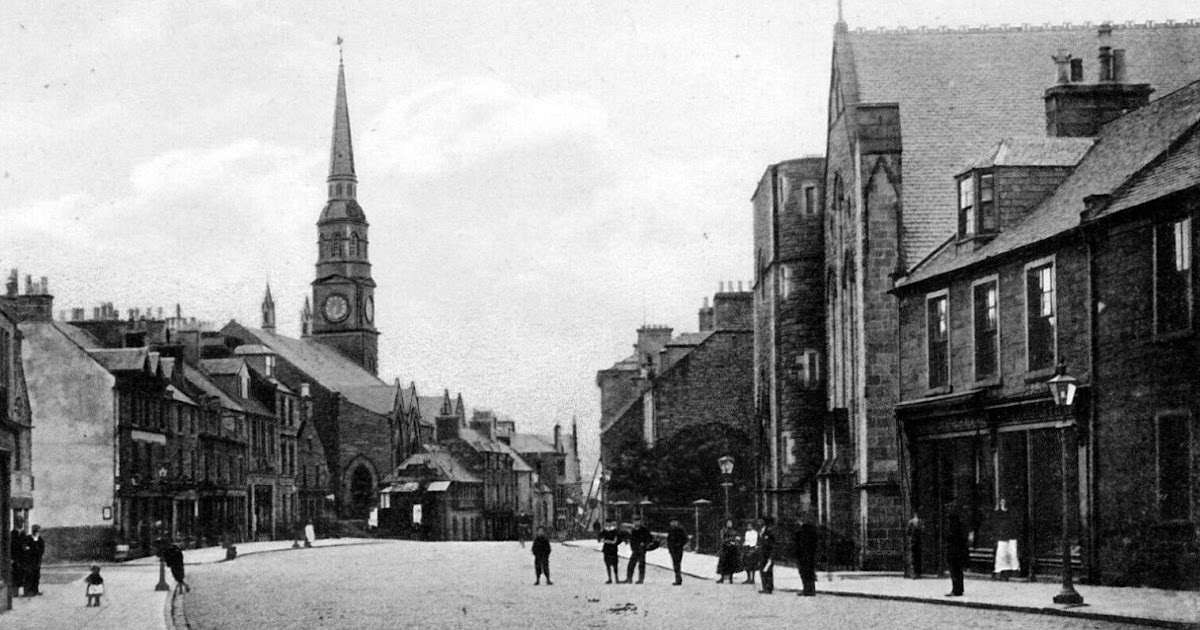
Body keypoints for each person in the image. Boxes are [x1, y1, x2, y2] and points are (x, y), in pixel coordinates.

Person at [945, 509, 971, 597]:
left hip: (953, 552)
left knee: (954, 571)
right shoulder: (961, 527)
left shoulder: (952, 527)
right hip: (959, 552)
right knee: (958, 571)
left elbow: (949, 538)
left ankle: (955, 589)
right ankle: (959, 589)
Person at [993, 499, 1020, 580]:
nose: (1003, 504)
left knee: (1012, 553)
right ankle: (1000, 570)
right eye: (1002, 502)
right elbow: (996, 524)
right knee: (1001, 554)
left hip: (1011, 536)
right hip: (1002, 536)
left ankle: (1014, 570)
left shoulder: (1012, 513)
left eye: (1004, 502)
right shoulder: (998, 513)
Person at [794, 516, 818, 596]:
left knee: (804, 573)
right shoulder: (812, 531)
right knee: (810, 573)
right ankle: (811, 589)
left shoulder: (802, 531)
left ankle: (807, 590)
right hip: (810, 556)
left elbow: (799, 545)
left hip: (803, 556)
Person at [625, 516, 653, 584]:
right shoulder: (633, 530)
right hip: (635, 550)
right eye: (634, 521)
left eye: (637, 521)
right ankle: (629, 578)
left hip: (641, 550)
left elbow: (650, 539)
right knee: (631, 565)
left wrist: (644, 544)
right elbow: (632, 539)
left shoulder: (644, 530)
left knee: (641, 565)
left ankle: (641, 579)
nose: (636, 522)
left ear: (640, 522)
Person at [716, 519, 742, 583]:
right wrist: (731, 539)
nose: (729, 524)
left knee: (731, 564)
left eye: (730, 522)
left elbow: (738, 538)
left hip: (732, 549)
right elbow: (723, 539)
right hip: (725, 549)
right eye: (728, 522)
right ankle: (722, 578)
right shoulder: (723, 530)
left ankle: (731, 578)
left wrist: (735, 541)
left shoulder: (734, 531)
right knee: (723, 564)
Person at [24, 525, 45, 596]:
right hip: (29, 561)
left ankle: (35, 590)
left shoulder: (40, 540)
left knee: (37, 575)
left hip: (37, 561)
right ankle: (29, 591)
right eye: (36, 530)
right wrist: (32, 550)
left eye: (38, 531)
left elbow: (41, 550)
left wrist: (32, 550)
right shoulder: (28, 539)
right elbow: (26, 549)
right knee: (29, 575)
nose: (37, 532)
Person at [666, 519, 689, 586]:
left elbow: (686, 539)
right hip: (673, 550)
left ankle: (678, 579)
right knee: (675, 564)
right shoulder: (671, 530)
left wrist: (680, 544)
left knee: (677, 564)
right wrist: (670, 548)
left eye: (674, 522)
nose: (672, 523)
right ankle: (678, 578)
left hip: (678, 549)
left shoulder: (680, 530)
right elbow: (668, 540)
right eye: (671, 522)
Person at [758, 517, 775, 594]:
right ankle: (764, 587)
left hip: (768, 554)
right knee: (762, 570)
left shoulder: (769, 531)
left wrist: (771, 555)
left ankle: (769, 587)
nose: (759, 523)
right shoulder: (761, 531)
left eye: (761, 521)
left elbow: (772, 543)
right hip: (762, 554)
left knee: (768, 571)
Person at [10, 520, 27, 597]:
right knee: (15, 575)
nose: (21, 524)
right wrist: (11, 558)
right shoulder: (12, 534)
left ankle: (23, 591)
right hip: (15, 557)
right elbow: (10, 546)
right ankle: (14, 592)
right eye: (20, 522)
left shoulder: (23, 533)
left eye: (22, 522)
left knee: (23, 574)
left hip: (22, 558)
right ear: (16, 523)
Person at [741, 520, 760, 584]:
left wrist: (753, 547)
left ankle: (753, 579)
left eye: (749, 525)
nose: (748, 527)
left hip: (752, 549)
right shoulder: (747, 533)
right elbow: (746, 540)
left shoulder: (755, 533)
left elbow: (754, 541)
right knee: (746, 565)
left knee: (753, 565)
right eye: (748, 525)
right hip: (747, 548)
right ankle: (748, 578)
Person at [906, 511, 924, 578]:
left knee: (914, 557)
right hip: (917, 542)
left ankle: (914, 573)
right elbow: (923, 531)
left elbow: (908, 532)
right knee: (917, 557)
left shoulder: (911, 522)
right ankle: (917, 573)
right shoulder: (920, 522)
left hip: (914, 541)